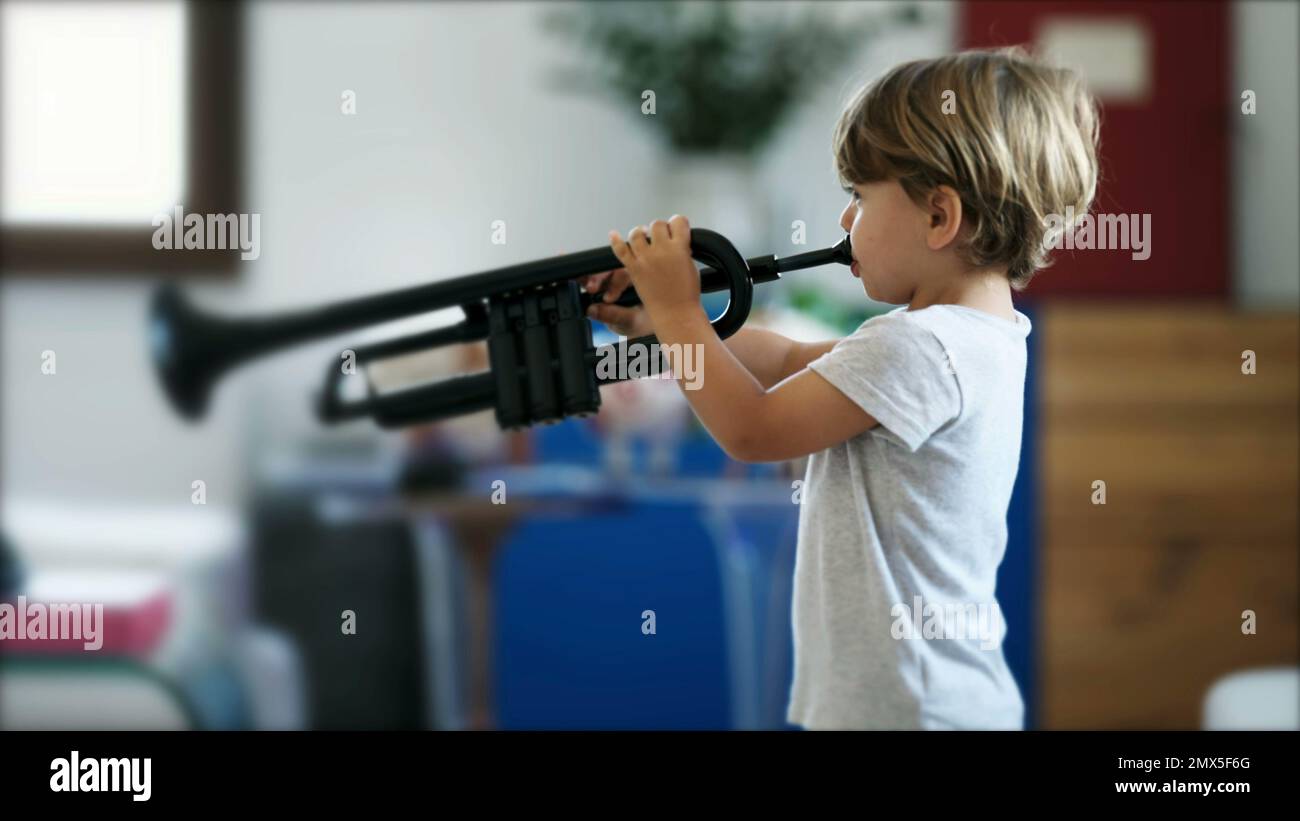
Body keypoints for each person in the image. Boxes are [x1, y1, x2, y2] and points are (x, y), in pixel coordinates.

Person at [581, 47, 1099, 729]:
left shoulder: (916, 345)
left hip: (904, 707)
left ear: (940, 217)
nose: (845, 222)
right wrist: (661, 322)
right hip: (931, 700)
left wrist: (680, 315)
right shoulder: (974, 338)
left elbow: (752, 430)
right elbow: (790, 357)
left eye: (860, 197)